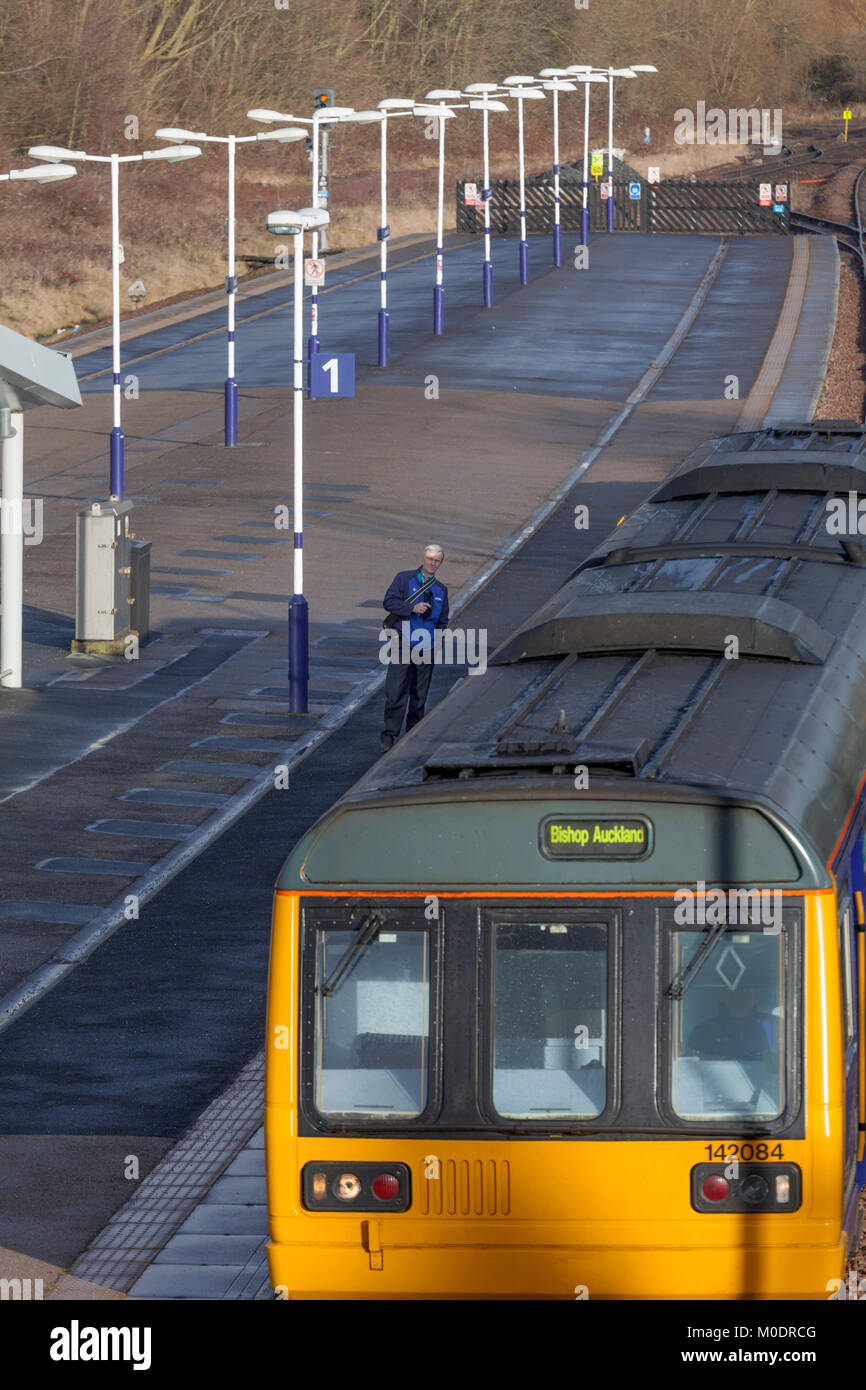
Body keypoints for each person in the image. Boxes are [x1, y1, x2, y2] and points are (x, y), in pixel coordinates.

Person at [380, 545, 449, 750]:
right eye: (429, 558)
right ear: (423, 558)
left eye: (436, 560)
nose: (432, 563)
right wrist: (412, 608)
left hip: (427, 647)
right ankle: (389, 734)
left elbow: (443, 620)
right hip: (403, 642)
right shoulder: (404, 578)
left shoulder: (441, 590)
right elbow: (389, 602)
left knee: (420, 695)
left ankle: (413, 734)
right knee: (395, 692)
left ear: (440, 563)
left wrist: (437, 642)